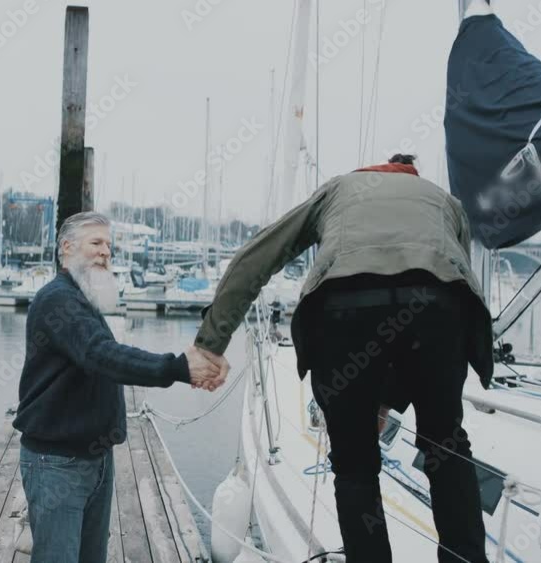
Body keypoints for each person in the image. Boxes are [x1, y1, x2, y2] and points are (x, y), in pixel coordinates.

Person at [194, 155, 493, 563]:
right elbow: (438, 281)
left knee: (355, 465)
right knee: (446, 448)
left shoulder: (337, 190)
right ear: (413, 177)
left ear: (367, 174)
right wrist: (388, 395)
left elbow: (257, 257)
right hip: (438, 308)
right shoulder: (444, 201)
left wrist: (210, 343)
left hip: (345, 309)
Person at [13, 211, 227, 563]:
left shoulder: (82, 300)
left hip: (94, 460)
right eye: (96, 243)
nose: (106, 252)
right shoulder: (58, 300)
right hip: (56, 464)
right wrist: (178, 367)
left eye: (109, 245)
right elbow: (101, 354)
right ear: (66, 248)